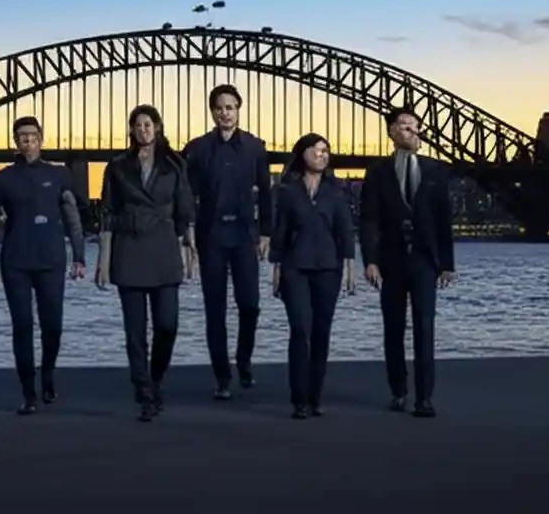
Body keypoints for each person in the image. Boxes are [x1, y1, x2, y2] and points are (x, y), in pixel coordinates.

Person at [95, 104, 196, 422]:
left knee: (168, 324)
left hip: (164, 247)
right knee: (135, 331)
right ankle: (144, 390)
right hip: (129, 247)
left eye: (148, 124)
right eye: (137, 125)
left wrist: (190, 247)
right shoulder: (117, 167)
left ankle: (156, 377)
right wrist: (103, 260)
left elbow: (185, 209)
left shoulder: (174, 164)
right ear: (131, 130)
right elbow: (107, 213)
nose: (143, 130)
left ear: (158, 127)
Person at [0, 116, 87, 415]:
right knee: (22, 326)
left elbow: (72, 217)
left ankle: (48, 373)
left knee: (52, 326)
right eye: (22, 136)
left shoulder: (59, 174)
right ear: (15, 141)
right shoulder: (3, 178)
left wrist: (79, 256)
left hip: (51, 259)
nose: (27, 141)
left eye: (32, 135)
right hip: (15, 261)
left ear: (41, 138)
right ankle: (28, 392)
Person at [359, 107, 457, 418]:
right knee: (393, 328)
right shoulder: (378, 171)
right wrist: (370, 260)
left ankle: (424, 398)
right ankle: (398, 391)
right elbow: (369, 219)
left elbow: (443, 219)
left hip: (425, 260)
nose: (410, 130)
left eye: (414, 125)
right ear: (391, 132)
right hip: (390, 259)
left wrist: (447, 264)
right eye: (403, 125)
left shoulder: (436, 170)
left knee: (425, 327)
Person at [180, 83, 273, 400]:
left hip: (245, 236)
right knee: (215, 309)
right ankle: (222, 376)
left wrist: (266, 233)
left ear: (238, 110)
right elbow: (185, 194)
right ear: (212, 112)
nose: (225, 113)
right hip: (211, 237)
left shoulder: (255, 148)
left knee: (250, 305)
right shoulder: (198, 148)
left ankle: (244, 360)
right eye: (219, 108)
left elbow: (266, 192)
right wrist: (187, 231)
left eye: (230, 107)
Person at [268, 133, 356, 419]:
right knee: (300, 329)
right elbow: (280, 231)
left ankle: (314, 396)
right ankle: (298, 399)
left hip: (328, 268)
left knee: (321, 332)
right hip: (295, 266)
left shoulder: (336, 190)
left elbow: (345, 230)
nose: (322, 155)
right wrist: (276, 267)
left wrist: (349, 265)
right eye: (316, 150)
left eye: (325, 151)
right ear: (302, 154)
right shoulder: (287, 190)